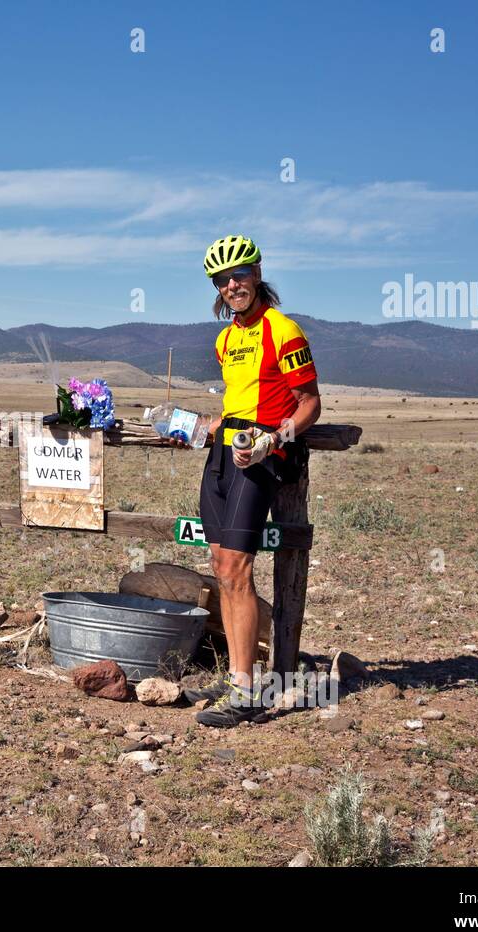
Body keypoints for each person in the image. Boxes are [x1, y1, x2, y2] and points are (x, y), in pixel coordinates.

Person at [188, 235, 321, 727]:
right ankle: (235, 677)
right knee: (221, 564)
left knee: (239, 569)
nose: (231, 285)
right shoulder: (225, 340)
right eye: (222, 280)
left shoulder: (283, 332)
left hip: (262, 457)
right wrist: (203, 427)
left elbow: (310, 403)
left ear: (258, 272)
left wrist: (274, 438)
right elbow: (236, 401)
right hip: (225, 455)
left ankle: (246, 691)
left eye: (239, 274)